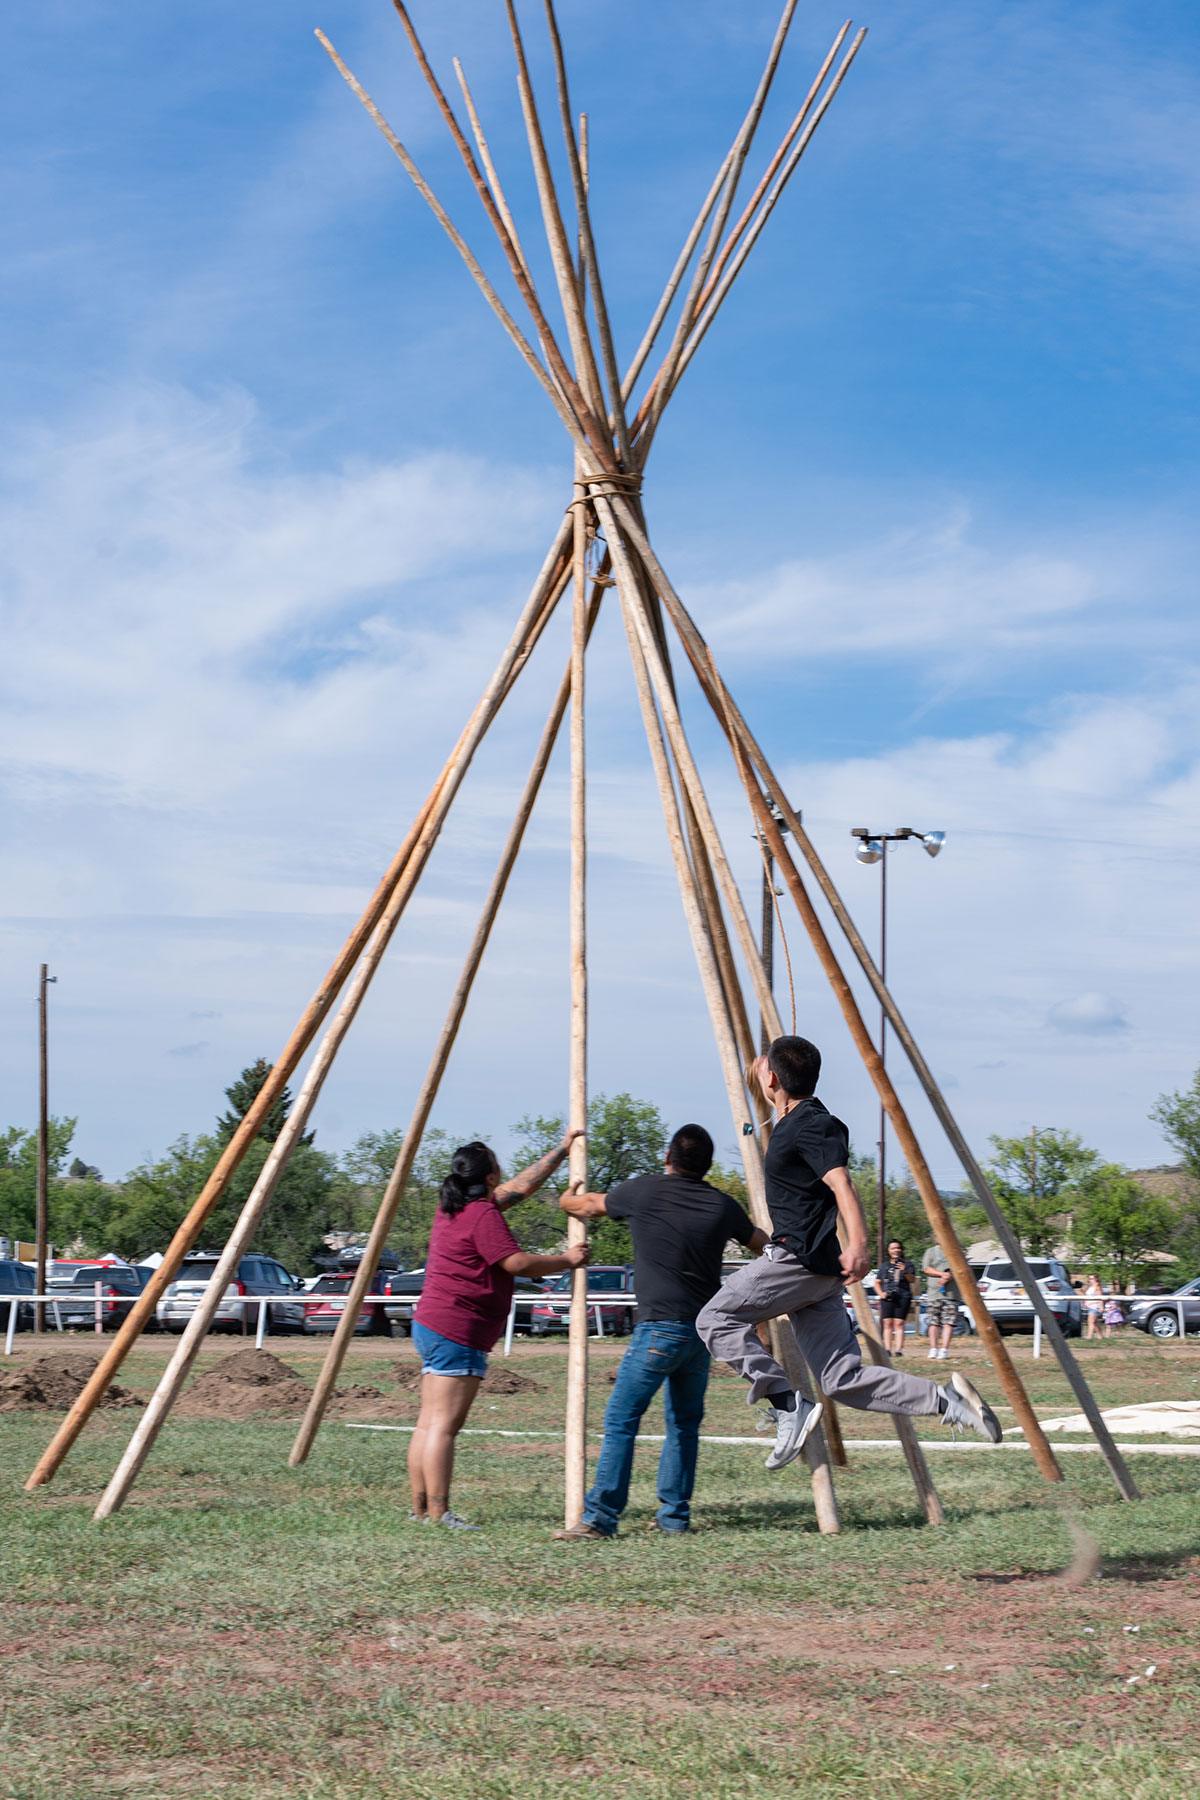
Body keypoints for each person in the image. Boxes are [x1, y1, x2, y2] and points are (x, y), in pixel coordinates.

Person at [695, 1036, 1002, 1469]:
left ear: (773, 1078)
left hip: (797, 1261)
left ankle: (787, 1405)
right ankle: (948, 1402)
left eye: (765, 1072)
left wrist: (859, 1244)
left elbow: (843, 1184)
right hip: (818, 1275)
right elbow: (773, 1086)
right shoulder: (792, 1120)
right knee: (841, 1380)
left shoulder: (810, 1123)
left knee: (714, 1319)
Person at [553, 1124, 768, 1541]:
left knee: (621, 1420)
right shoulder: (722, 1206)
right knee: (684, 1425)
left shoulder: (644, 1192)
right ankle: (673, 1519)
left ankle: (599, 1517)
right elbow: (762, 1243)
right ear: (706, 1166)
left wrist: (565, 1198)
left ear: (668, 1157)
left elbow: (589, 1205)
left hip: (659, 1329)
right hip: (704, 1332)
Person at [409, 1132, 591, 1530]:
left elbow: (523, 1187)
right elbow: (516, 1264)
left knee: (428, 1422)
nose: (503, 1171)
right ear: (490, 1177)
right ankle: (440, 1515)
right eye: (498, 1164)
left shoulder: (455, 1207)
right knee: (443, 1426)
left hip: (433, 1323)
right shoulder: (483, 1215)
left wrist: (563, 1149)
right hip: (456, 1329)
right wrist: (568, 1259)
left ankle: (421, 1510)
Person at [875, 1238, 915, 1356]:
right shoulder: (884, 1266)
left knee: (899, 1324)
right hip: (887, 1296)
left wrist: (905, 1271)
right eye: (893, 1248)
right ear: (889, 1250)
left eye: (898, 1248)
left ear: (901, 1250)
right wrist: (881, 1293)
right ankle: (887, 1349)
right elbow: (877, 1282)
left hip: (903, 1296)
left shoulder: (908, 1264)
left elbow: (912, 1280)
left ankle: (898, 1350)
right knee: (887, 1323)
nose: (896, 1250)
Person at [922, 1238, 960, 1361]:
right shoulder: (930, 1251)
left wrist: (949, 1276)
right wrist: (942, 1274)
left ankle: (944, 1349)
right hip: (934, 1294)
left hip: (951, 1294)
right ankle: (933, 1348)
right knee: (933, 1322)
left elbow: (960, 1268)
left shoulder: (956, 1251)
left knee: (948, 1322)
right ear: (935, 1238)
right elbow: (927, 1268)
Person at [1083, 1273, 1104, 1340]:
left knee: (1090, 1321)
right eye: (1089, 1279)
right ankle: (1100, 1336)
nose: (1090, 1280)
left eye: (1091, 1278)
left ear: (1096, 1279)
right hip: (1090, 1306)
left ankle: (1089, 1337)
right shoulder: (1090, 1287)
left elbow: (1100, 1297)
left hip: (1095, 1306)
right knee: (1095, 1322)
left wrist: (1101, 1306)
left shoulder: (1097, 1286)